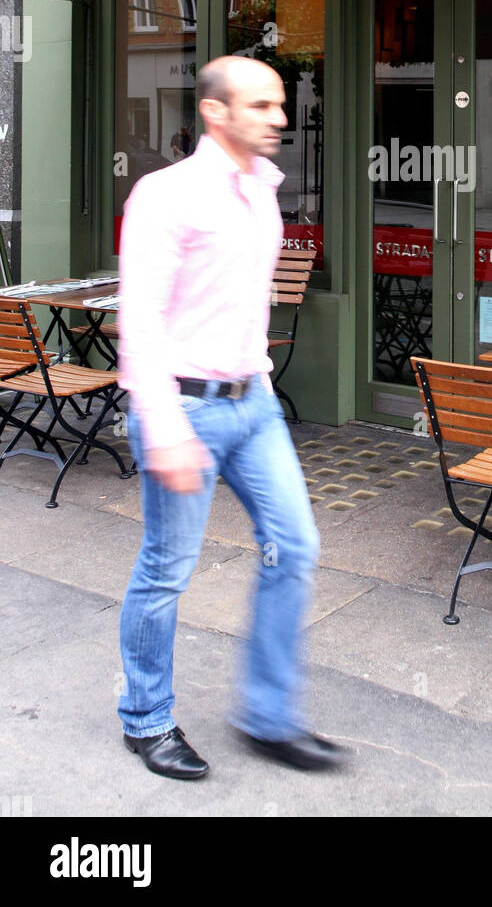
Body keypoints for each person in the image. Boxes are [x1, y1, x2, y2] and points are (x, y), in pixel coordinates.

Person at [117, 55, 345, 779]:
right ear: (216, 112)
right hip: (185, 408)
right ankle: (146, 718)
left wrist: (260, 383)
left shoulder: (263, 188)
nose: (279, 117)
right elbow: (141, 318)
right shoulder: (167, 195)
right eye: (261, 105)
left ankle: (267, 716)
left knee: (295, 547)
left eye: (279, 104)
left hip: (255, 405)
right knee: (165, 571)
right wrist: (164, 425)